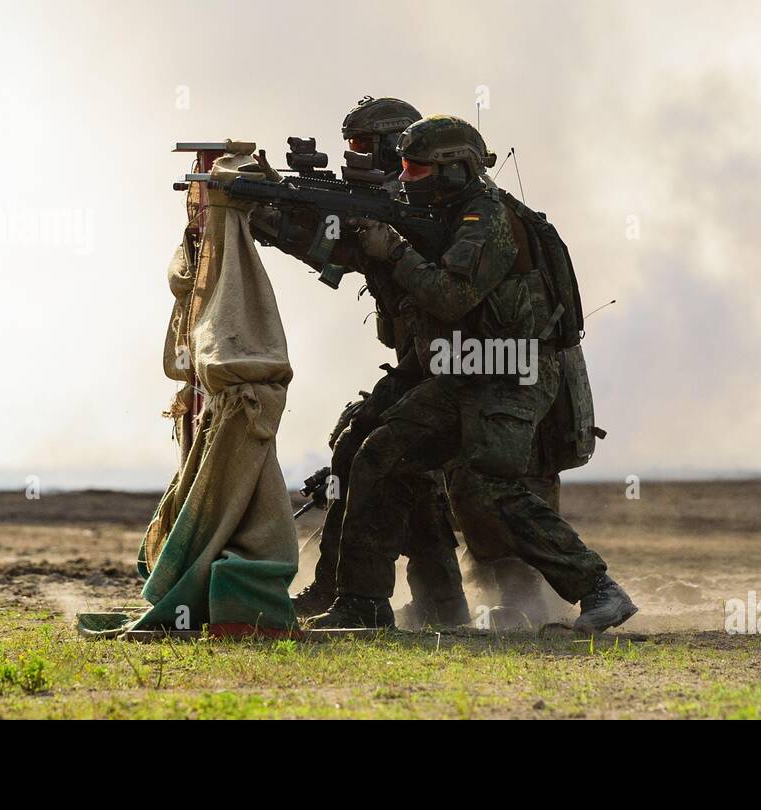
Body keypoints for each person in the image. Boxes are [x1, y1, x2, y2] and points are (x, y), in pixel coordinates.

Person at [310, 115, 637, 633]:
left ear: (456, 170)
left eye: (417, 168)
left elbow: (451, 294)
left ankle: (599, 590)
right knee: (380, 453)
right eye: (403, 166)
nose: (406, 176)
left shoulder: (487, 219)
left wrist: (392, 250)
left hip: (514, 371)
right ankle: (363, 603)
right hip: (467, 369)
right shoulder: (449, 213)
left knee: (487, 487)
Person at [249, 96, 469, 627]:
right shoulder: (395, 204)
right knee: (377, 457)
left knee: (376, 455)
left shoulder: (440, 211)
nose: (356, 157)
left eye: (365, 147)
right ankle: (437, 603)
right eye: (350, 146)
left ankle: (360, 601)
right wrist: (275, 220)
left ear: (396, 145)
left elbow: (440, 284)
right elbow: (341, 251)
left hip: (465, 371)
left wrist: (379, 244)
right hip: (426, 367)